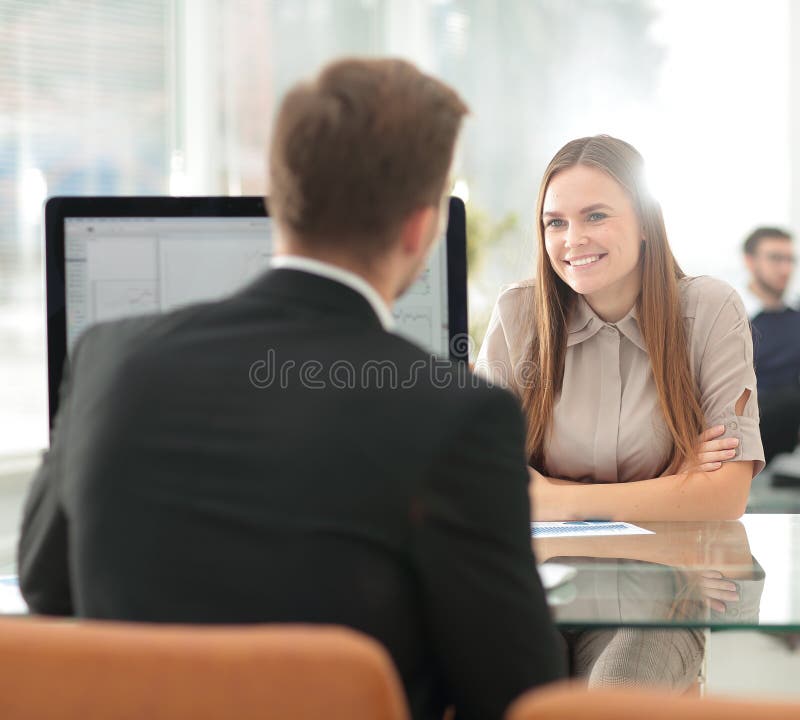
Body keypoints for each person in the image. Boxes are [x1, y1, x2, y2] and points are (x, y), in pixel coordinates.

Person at [17, 59, 566, 720]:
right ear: (420, 228)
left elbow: (47, 590)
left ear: (281, 197)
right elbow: (523, 698)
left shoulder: (106, 359)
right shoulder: (460, 418)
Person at [476, 135, 764, 690]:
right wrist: (674, 486)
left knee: (617, 694)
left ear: (646, 222)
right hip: (535, 586)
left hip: (668, 590)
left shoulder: (708, 311)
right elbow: (488, 483)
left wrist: (557, 499)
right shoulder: (519, 315)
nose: (572, 239)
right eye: (554, 222)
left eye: (596, 215)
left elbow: (724, 496)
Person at [741, 227, 800, 465]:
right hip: (746, 436)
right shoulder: (731, 319)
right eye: (776, 258)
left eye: (790, 260)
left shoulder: (796, 318)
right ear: (750, 262)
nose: (785, 269)